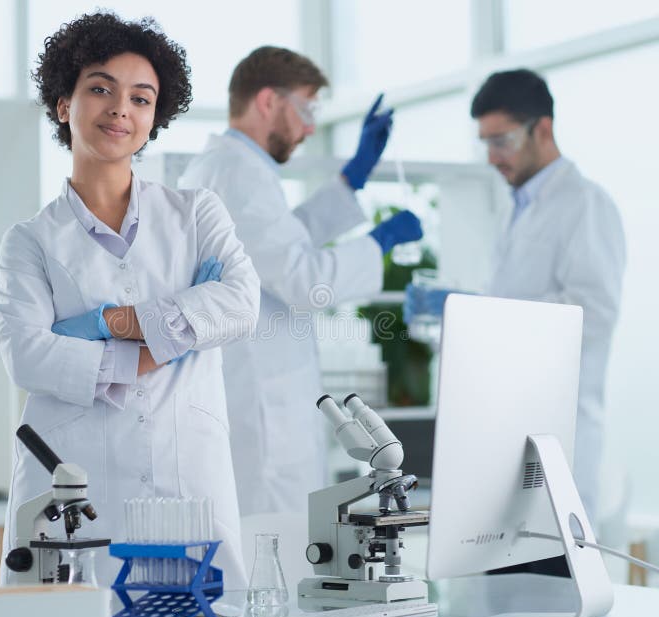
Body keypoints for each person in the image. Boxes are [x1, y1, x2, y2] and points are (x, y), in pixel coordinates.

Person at [0, 13, 259, 589]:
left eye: (142, 98)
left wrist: (108, 324)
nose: (121, 109)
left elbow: (240, 303)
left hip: (186, 472)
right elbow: (28, 356)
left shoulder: (196, 213)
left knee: (199, 603)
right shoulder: (30, 241)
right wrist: (184, 323)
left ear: (154, 117)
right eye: (100, 89)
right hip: (74, 478)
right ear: (64, 105)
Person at [178, 46, 423, 516]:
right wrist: (380, 240)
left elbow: (281, 245)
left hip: (265, 398)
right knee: (274, 557)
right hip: (262, 412)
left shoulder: (232, 168)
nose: (310, 127)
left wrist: (352, 180)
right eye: (307, 109)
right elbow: (305, 280)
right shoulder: (237, 175)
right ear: (269, 101)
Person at [407, 68, 626, 575]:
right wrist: (465, 312)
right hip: (505, 435)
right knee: (503, 588)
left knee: (550, 582)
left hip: (557, 440)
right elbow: (519, 304)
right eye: (485, 142)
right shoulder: (518, 208)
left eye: (501, 140)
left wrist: (479, 310)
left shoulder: (585, 205)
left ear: (542, 129)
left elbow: (588, 319)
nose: (492, 156)